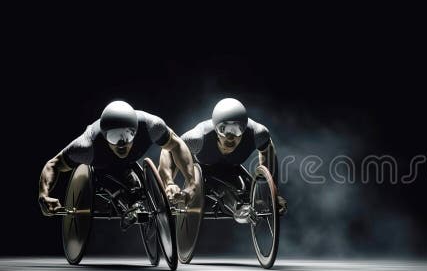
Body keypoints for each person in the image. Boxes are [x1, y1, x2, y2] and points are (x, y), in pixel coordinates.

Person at [38, 101, 198, 217]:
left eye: (128, 135)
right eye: (114, 137)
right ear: (105, 135)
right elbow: (53, 164)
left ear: (136, 130)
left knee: (135, 187)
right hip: (102, 165)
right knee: (120, 186)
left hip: (128, 163)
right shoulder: (86, 146)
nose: (122, 144)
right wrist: (43, 195)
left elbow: (176, 145)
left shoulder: (151, 126)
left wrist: (191, 184)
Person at [158, 98, 287, 215]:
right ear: (215, 128)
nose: (230, 138)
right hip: (203, 174)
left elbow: (268, 153)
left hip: (233, 170)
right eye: (223, 129)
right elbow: (169, 149)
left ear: (245, 128)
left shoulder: (258, 133)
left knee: (257, 199)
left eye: (236, 129)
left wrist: (272, 193)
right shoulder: (198, 137)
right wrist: (169, 184)